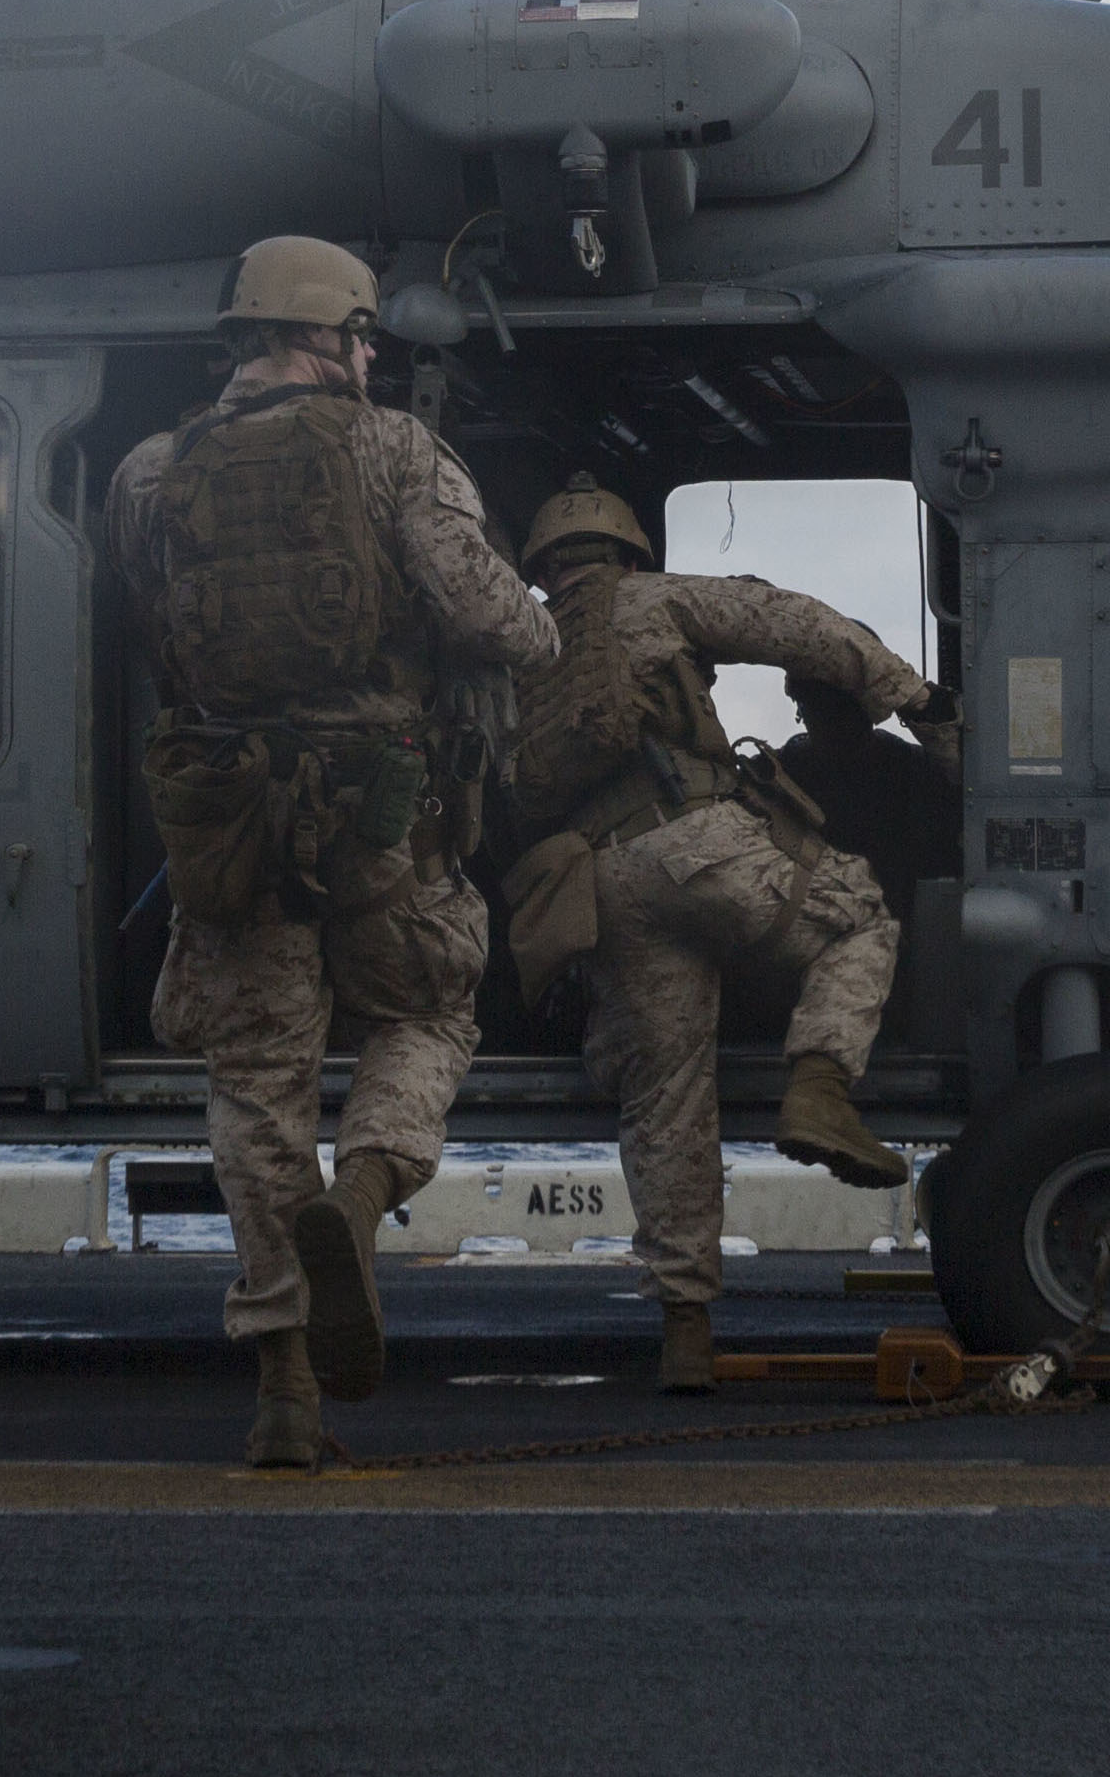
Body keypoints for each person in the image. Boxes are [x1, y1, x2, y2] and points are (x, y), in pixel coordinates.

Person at [106, 237, 554, 1468]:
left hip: (230, 823)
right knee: (432, 1010)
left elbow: (157, 623)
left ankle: (284, 1391)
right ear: (336, 338)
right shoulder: (395, 448)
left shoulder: (150, 471)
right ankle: (362, 1194)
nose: (370, 359)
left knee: (258, 1090)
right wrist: (540, 637)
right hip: (381, 814)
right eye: (365, 340)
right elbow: (481, 610)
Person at [500, 482, 925, 1395]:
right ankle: (819, 1089)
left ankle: (685, 1325)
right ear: (627, 555)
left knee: (666, 1102)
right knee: (857, 918)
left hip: (598, 880)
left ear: (544, 568)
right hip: (697, 841)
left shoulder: (523, 650)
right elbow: (791, 625)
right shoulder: (655, 600)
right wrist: (909, 689)